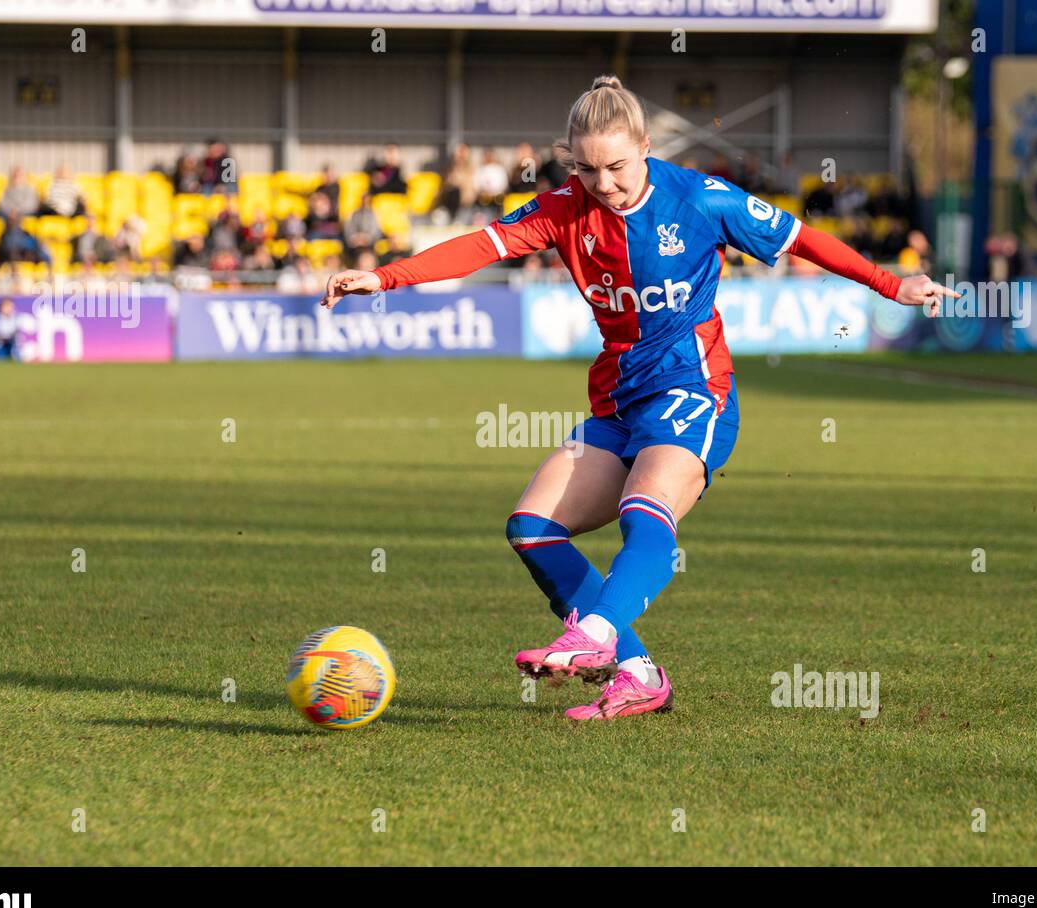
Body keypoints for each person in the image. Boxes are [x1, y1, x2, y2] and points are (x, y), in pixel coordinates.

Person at [320, 75, 957, 722]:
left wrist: (889, 283)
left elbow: (800, 239)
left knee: (642, 510)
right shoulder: (563, 208)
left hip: (694, 388)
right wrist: (383, 276)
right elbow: (478, 248)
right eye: (588, 168)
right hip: (619, 398)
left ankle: (594, 637)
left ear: (647, 148)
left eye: (618, 166)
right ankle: (638, 673)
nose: (606, 183)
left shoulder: (702, 199)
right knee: (532, 529)